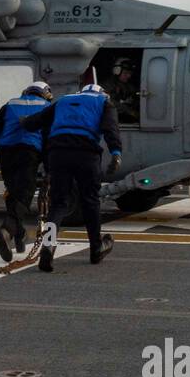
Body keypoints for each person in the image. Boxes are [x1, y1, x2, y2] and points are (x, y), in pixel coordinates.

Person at [20, 83, 121, 271]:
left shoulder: (63, 100)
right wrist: (116, 153)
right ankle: (96, 248)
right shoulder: (104, 102)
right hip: (87, 155)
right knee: (90, 201)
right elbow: (111, 128)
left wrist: (22, 121)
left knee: (58, 204)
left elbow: (33, 122)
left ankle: (48, 246)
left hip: (58, 154)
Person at [0, 80, 52, 261]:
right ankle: (6, 230)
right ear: (45, 93)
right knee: (24, 195)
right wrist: (48, 166)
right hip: (29, 153)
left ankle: (19, 234)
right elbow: (48, 137)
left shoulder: (11, 104)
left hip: (7, 153)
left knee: (13, 193)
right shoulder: (46, 106)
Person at [111, 58, 140, 124]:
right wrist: (129, 111)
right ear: (117, 71)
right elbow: (109, 102)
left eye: (130, 73)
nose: (129, 76)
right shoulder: (107, 85)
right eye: (125, 73)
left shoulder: (130, 87)